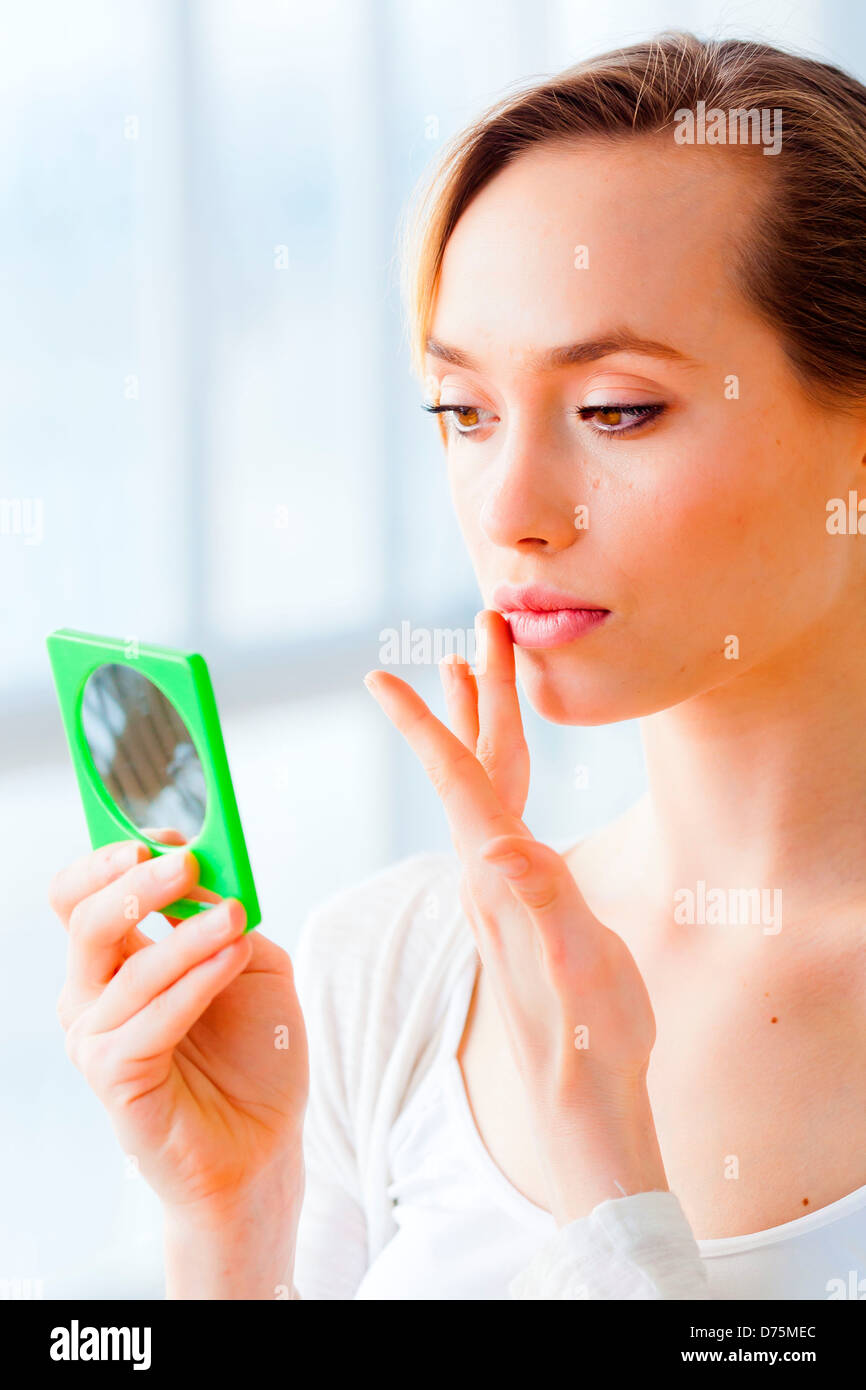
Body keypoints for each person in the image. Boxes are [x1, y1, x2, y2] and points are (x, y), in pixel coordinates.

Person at [49, 32, 866, 1299]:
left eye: (614, 410)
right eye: (463, 413)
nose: (508, 509)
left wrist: (603, 1164)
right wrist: (232, 1222)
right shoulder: (386, 965)